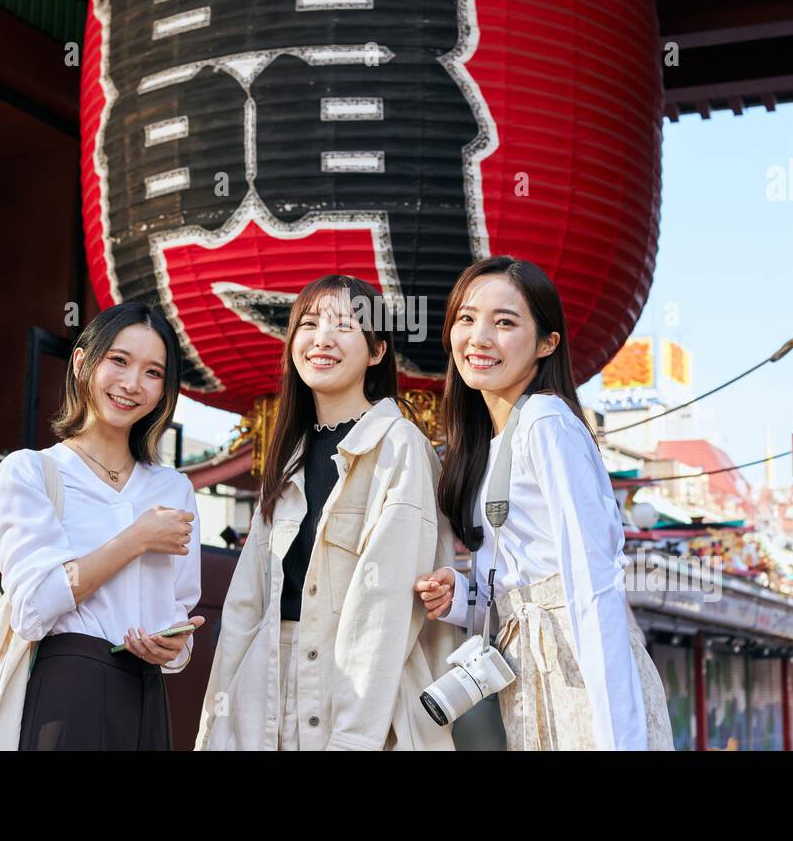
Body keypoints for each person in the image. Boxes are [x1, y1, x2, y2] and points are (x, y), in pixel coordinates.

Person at [415, 256, 673, 750]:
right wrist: (463, 598)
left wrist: (623, 739)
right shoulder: (488, 443)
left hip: (579, 679)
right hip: (528, 677)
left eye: (505, 322)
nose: (480, 338)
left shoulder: (546, 422)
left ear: (547, 343)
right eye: (466, 318)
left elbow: (592, 584)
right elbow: (522, 588)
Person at [196, 275, 456, 750]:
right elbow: (244, 609)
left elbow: (386, 612)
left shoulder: (399, 447)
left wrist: (351, 741)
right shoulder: (288, 456)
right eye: (309, 324)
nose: (322, 340)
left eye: (344, 325)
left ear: (377, 351)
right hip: (268, 694)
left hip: (356, 700)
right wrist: (216, 728)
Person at [0, 300, 203, 750]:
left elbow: (179, 608)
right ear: (83, 361)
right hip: (70, 693)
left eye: (153, 372)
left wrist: (172, 647)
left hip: (147, 696)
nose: (131, 384)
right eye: (119, 361)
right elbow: (32, 608)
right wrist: (136, 539)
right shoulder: (30, 474)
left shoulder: (174, 489)